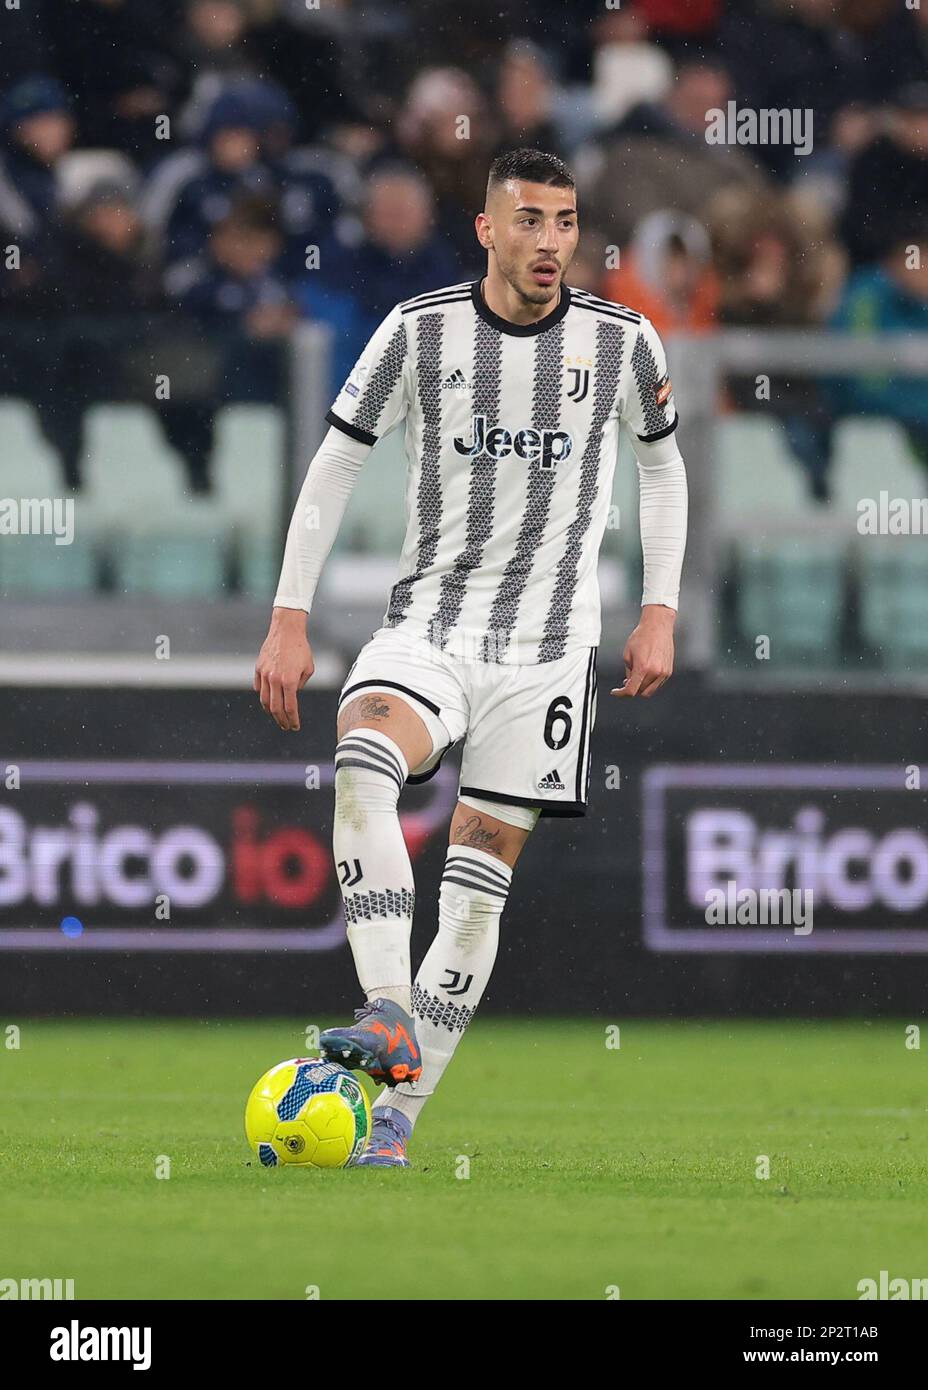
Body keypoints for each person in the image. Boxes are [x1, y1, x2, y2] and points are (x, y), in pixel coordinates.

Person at [254, 147, 688, 1167]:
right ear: (487, 230)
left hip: (548, 654)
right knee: (362, 751)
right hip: (431, 630)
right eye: (528, 221)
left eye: (565, 222)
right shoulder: (419, 329)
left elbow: (660, 466)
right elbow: (337, 459)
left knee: (477, 882)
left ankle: (394, 1125)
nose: (550, 242)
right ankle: (387, 1006)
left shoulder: (621, 340)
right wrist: (287, 613)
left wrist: (659, 608)